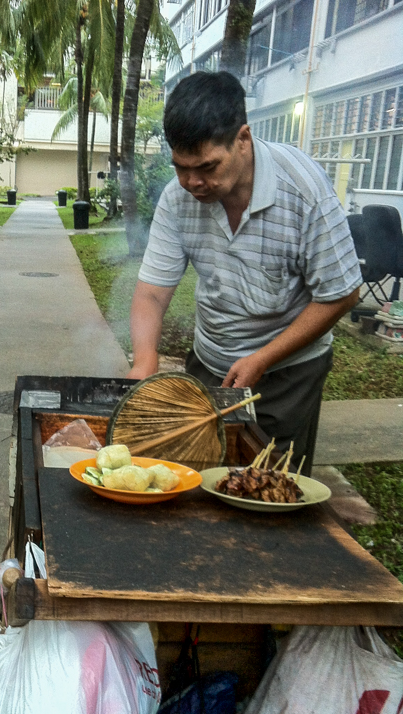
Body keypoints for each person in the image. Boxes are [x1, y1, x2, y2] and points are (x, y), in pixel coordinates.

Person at [128, 70, 362, 471]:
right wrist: (144, 359)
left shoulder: (304, 190)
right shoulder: (177, 198)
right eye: (180, 167)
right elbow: (152, 291)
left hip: (287, 372)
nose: (191, 182)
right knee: (196, 470)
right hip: (210, 361)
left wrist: (264, 358)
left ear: (243, 140)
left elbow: (342, 293)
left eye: (206, 166)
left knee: (268, 482)